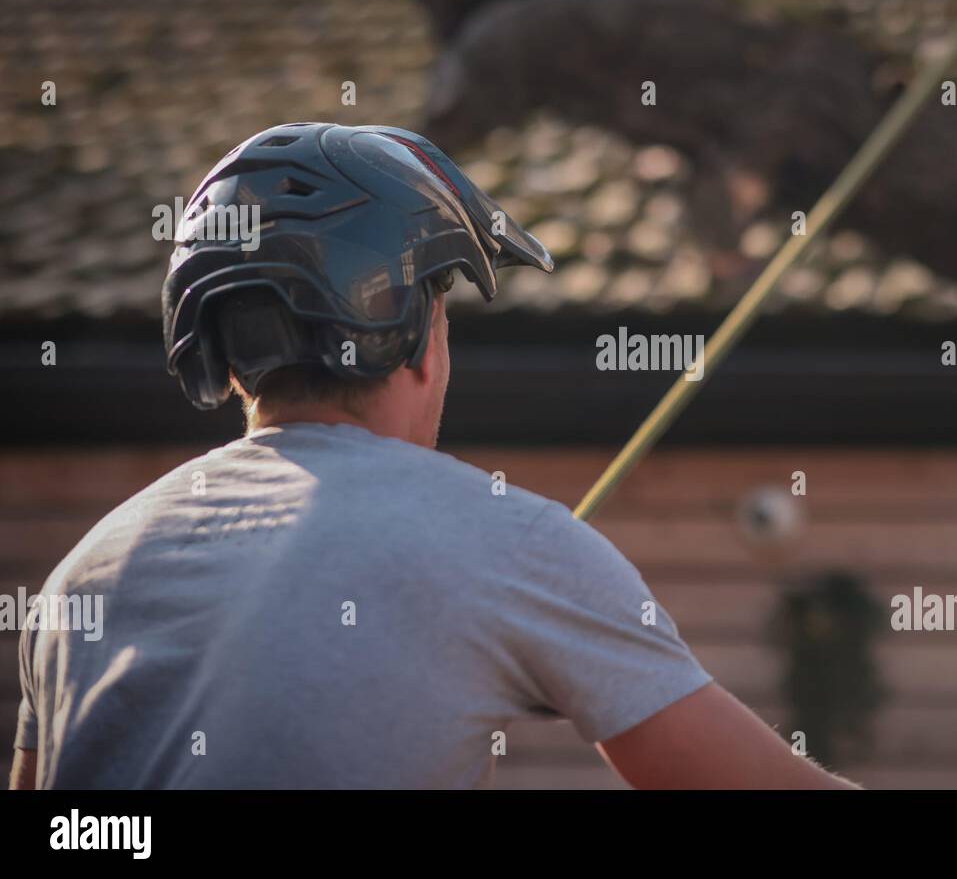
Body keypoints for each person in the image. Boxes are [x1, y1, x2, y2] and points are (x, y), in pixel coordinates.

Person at [10, 123, 857, 790]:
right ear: (416, 337)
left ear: (225, 358)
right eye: (443, 310)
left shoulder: (84, 576)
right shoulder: (510, 542)